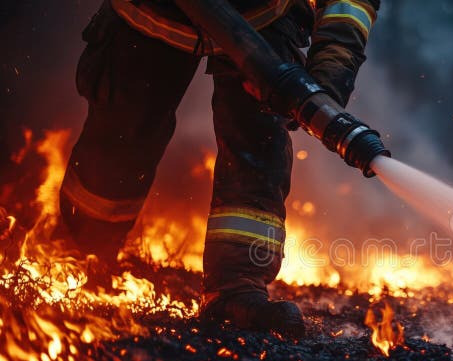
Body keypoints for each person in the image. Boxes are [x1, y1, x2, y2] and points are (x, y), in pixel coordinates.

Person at [59, 0, 381, 339]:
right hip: (150, 13)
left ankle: (236, 288)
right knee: (119, 146)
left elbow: (349, 6)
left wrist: (328, 80)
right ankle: (82, 255)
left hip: (262, 15)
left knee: (258, 147)